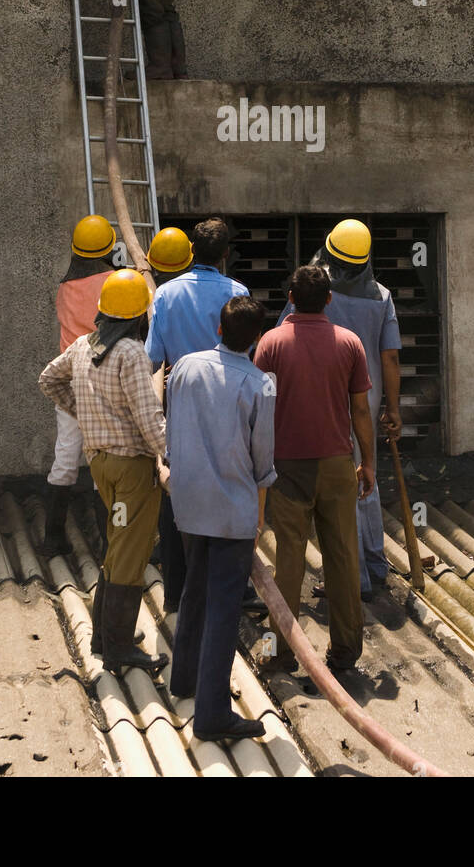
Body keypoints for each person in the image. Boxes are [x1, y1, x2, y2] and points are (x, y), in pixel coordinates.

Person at [38, 269, 168, 675]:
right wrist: (170, 458)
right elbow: (149, 419)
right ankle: (118, 648)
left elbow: (48, 380)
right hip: (131, 469)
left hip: (100, 465)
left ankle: (102, 636)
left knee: (117, 545)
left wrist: (83, 413)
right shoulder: (130, 354)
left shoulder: (81, 346)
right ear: (137, 316)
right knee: (130, 554)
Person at [254, 264, 375, 675]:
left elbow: (258, 408)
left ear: (290, 297)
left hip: (286, 467)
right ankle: (344, 652)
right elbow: (360, 409)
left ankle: (281, 652)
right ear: (329, 299)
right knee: (342, 556)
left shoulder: (269, 344)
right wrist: (368, 463)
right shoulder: (349, 343)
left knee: (289, 559)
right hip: (338, 465)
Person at [168, 296, 275, 742]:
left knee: (195, 588)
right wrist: (259, 507)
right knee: (224, 609)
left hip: (188, 503)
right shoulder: (260, 383)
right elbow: (262, 457)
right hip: (231, 507)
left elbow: (171, 425)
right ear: (255, 340)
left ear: (218, 329)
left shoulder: (185, 368)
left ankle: (184, 680)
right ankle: (212, 715)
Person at [278, 218, 402, 600]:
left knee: (339, 488)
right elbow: (391, 357)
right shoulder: (381, 296)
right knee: (367, 474)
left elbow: (287, 336)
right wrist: (393, 409)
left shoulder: (315, 291)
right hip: (367, 398)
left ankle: (353, 579)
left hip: (324, 402)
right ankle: (375, 564)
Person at [145, 216, 259, 614]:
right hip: (229, 402)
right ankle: (236, 586)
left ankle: (178, 591)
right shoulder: (238, 291)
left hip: (182, 404)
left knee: (177, 488)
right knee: (232, 482)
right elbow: (248, 351)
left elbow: (153, 357)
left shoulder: (164, 295)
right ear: (226, 253)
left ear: (192, 251)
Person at [41, 214, 117, 559]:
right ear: (108, 248)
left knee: (65, 459)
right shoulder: (115, 282)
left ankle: (53, 540)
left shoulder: (64, 287)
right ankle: (108, 546)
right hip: (101, 381)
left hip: (71, 380)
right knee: (103, 460)